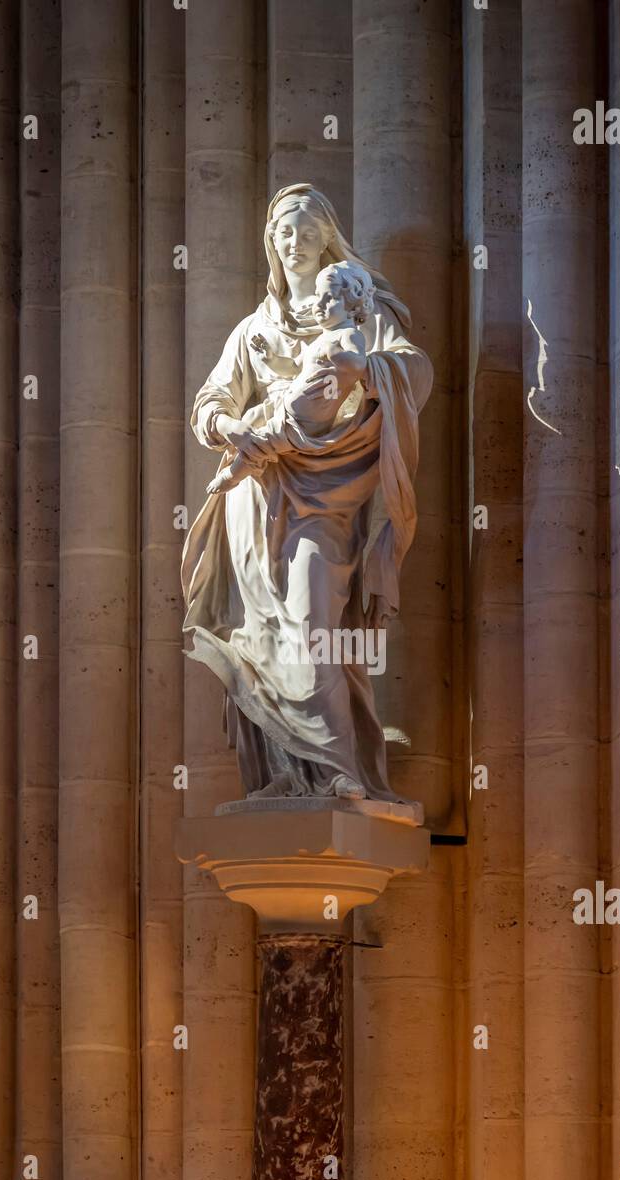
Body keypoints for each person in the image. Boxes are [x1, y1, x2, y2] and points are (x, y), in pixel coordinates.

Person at [181, 184, 432, 808]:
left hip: (329, 494)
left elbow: (414, 371)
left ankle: (339, 773)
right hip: (257, 498)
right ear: (272, 243)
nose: (295, 242)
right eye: (283, 232)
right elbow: (208, 405)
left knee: (311, 616)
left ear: (327, 239)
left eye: (307, 231)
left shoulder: (362, 306)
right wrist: (226, 426)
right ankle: (284, 779)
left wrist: (367, 371)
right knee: (262, 636)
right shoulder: (251, 331)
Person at [205, 260, 376, 496]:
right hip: (285, 407)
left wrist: (336, 353)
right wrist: (271, 358)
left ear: (352, 306)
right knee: (253, 418)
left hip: (306, 419)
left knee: (262, 443)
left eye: (330, 298)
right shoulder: (321, 337)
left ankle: (231, 476)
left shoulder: (348, 336)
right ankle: (237, 472)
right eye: (319, 296)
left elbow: (358, 364)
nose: (321, 304)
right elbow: (295, 366)